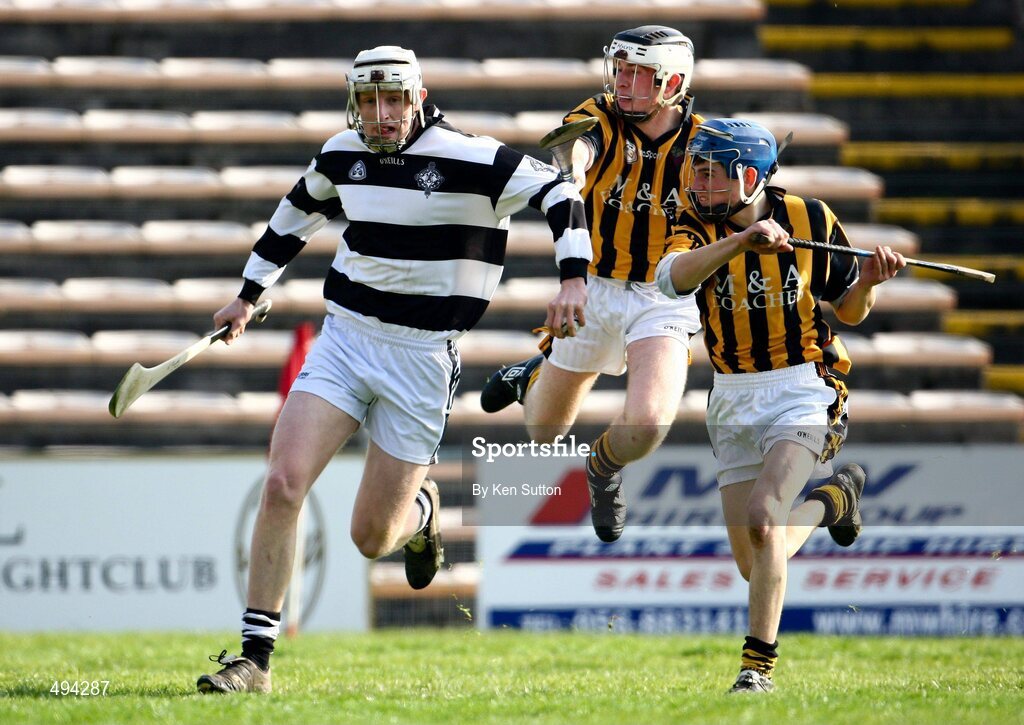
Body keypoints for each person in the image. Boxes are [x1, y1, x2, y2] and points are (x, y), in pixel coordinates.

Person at [196, 45, 590, 694]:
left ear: (418, 97)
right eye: (369, 101)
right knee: (283, 484)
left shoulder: (468, 156)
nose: (381, 115)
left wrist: (573, 278)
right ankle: (255, 661)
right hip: (346, 340)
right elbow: (297, 211)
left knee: (371, 536)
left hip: (422, 357)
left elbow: (558, 189)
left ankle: (423, 515)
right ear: (354, 102)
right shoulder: (341, 151)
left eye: (394, 100)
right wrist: (249, 293)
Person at [655, 118, 906, 693]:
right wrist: (742, 240)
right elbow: (673, 277)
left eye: (712, 172)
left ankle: (756, 671)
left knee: (765, 519)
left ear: (750, 176)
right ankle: (831, 500)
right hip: (731, 393)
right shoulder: (691, 219)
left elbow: (850, 310)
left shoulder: (811, 218)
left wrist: (867, 280)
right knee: (754, 562)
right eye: (697, 168)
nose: (699, 180)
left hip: (803, 385)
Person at [479, 25, 704, 543]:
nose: (623, 83)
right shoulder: (598, 113)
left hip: (660, 294)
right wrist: (573, 172)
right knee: (544, 432)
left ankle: (602, 469)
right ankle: (531, 376)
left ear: (672, 83)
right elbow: (575, 145)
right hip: (595, 284)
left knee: (648, 423)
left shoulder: (702, 142)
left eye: (638, 74)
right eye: (620, 70)